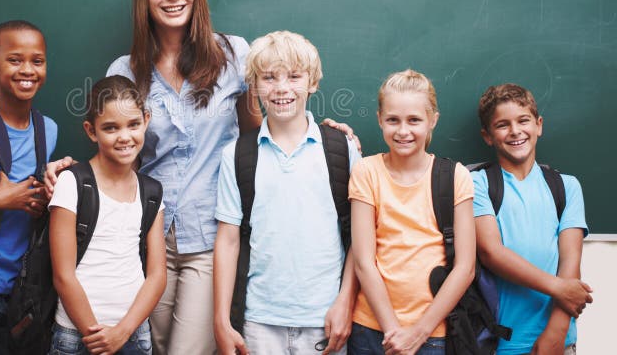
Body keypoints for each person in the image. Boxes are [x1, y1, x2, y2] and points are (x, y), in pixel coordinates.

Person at [104, 0, 262, 354]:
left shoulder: (233, 54)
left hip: (211, 236)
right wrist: (67, 170)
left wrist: (326, 133)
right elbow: (117, 157)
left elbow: (259, 133)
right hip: (148, 238)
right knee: (152, 347)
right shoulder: (124, 71)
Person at [213, 30, 361, 355]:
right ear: (254, 86)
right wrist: (222, 320)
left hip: (325, 317)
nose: (281, 88)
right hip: (258, 322)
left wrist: (345, 302)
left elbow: (359, 238)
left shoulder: (341, 150)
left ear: (313, 83)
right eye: (268, 78)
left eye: (294, 76)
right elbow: (227, 240)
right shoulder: (237, 155)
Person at [349, 69, 475, 355]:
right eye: (393, 120)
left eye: (414, 120)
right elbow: (363, 262)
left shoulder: (454, 176)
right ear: (380, 119)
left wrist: (418, 334)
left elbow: (465, 267)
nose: (403, 131)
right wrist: (394, 331)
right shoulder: (366, 172)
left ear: (433, 121)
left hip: (434, 333)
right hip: (372, 330)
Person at [48, 75, 166, 355]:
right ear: (91, 131)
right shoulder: (72, 183)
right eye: (111, 128)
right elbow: (63, 276)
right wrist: (98, 339)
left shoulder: (151, 192)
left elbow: (157, 275)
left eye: (133, 125)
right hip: (77, 337)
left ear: (146, 120)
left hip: (134, 334)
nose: (124, 137)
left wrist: (123, 331)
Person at [472, 84, 591, 355]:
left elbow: (570, 261)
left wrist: (557, 332)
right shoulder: (477, 183)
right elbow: (491, 252)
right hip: (499, 343)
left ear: (539, 125)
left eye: (523, 120)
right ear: (487, 136)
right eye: (502, 125)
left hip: (558, 340)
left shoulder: (566, 186)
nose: (515, 131)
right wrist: (560, 288)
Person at [0, 20, 63, 355]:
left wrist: (49, 195)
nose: (27, 70)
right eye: (15, 60)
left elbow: (31, 194)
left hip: (24, 291)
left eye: (37, 61)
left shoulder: (47, 130)